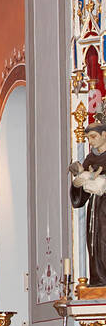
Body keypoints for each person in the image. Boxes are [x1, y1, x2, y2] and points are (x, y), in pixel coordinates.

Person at [70, 121, 106, 285]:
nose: (90, 142)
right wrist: (77, 185)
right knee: (96, 244)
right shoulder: (90, 159)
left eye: (93, 137)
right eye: (87, 138)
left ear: (104, 135)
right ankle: (99, 280)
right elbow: (79, 200)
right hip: (95, 211)